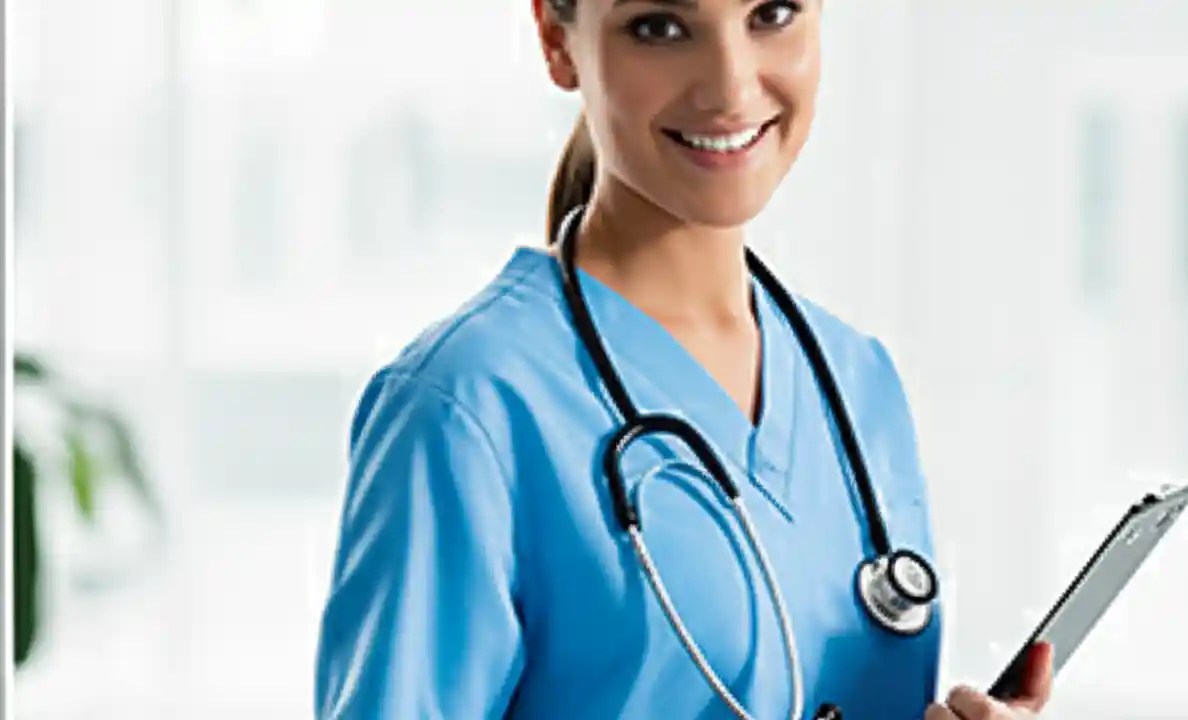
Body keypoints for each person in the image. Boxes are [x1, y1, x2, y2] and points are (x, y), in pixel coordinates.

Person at [313, 0, 1055, 718]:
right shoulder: (466, 406)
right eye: (660, 26)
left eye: (771, 14)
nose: (731, 84)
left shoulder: (857, 382)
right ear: (557, 40)